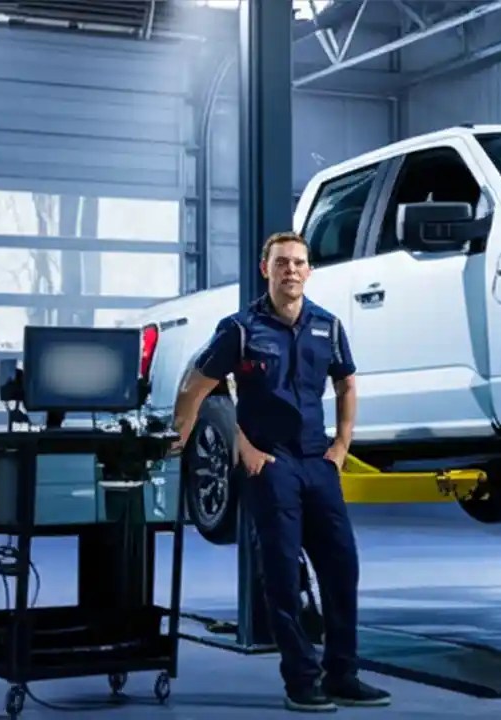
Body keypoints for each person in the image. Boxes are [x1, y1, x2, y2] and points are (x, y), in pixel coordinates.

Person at [171, 231, 390, 712]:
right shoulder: (241, 329)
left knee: (341, 566)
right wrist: (236, 447)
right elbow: (197, 387)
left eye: (299, 262)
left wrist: (342, 443)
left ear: (309, 271)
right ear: (264, 268)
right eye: (282, 262)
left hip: (318, 461)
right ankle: (301, 681)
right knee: (283, 577)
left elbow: (347, 382)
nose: (291, 270)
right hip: (269, 465)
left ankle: (343, 674)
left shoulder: (327, 325)